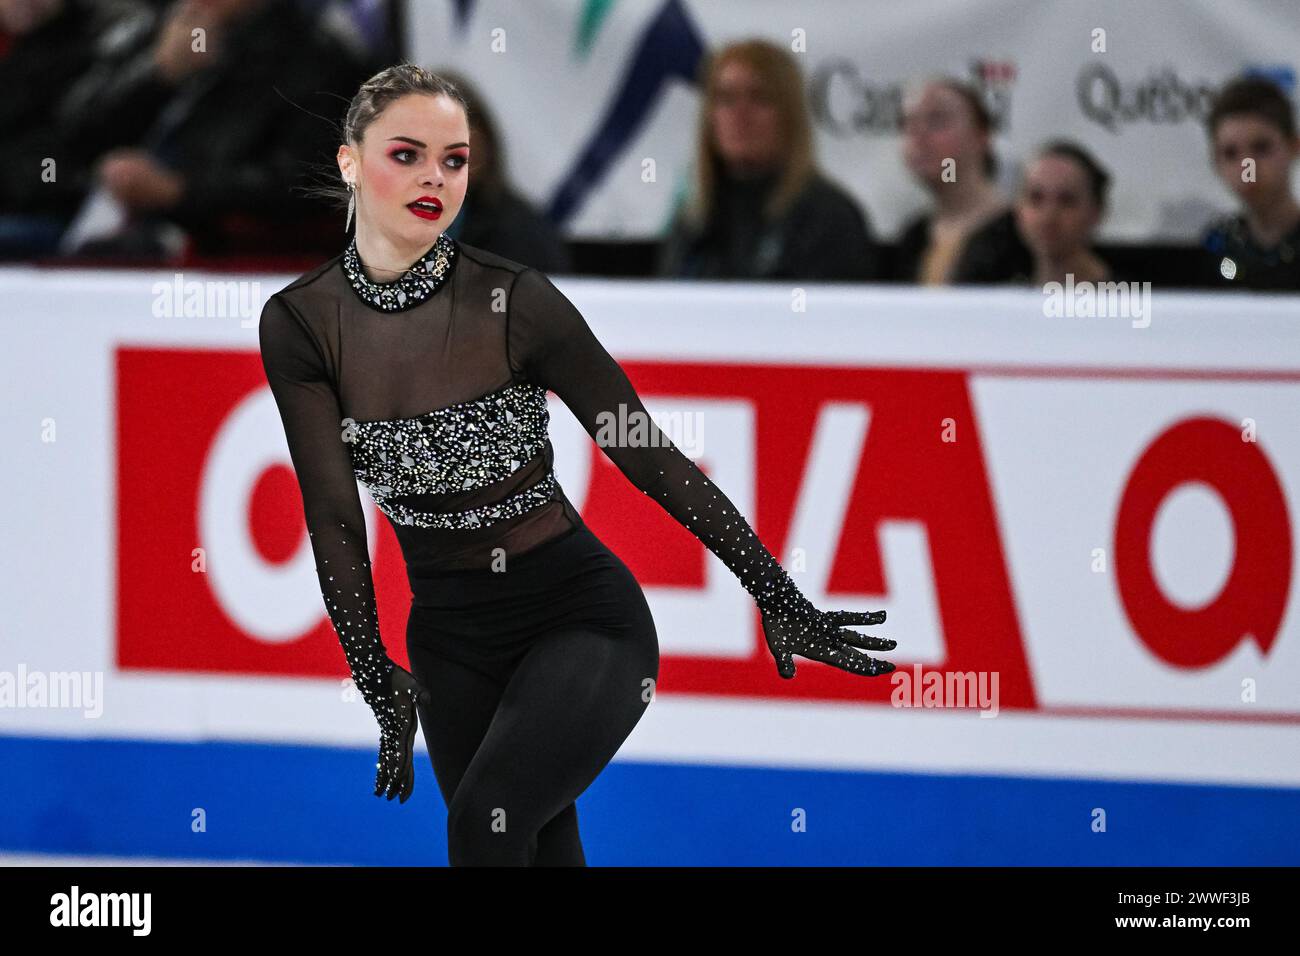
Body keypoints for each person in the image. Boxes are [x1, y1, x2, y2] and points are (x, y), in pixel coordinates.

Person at [258, 64, 899, 867]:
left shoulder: (515, 302)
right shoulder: (302, 325)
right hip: (448, 640)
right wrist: (371, 673)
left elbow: (648, 454)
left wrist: (773, 590)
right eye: (408, 154)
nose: (434, 178)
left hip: (579, 619)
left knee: (482, 826)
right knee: (533, 848)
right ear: (352, 162)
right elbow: (333, 517)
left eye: (453, 160)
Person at [658, 39, 880, 281]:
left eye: (759, 98)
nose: (740, 114)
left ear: (790, 114)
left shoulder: (828, 218)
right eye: (725, 99)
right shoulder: (694, 220)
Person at [894, 76, 1032, 284]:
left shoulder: (1023, 234)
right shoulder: (913, 237)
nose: (918, 136)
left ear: (981, 135)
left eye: (937, 121)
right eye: (908, 123)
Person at [1199, 74, 1300, 290]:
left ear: (1293, 146)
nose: (1247, 168)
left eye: (1261, 148)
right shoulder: (1217, 245)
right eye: (1231, 153)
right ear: (1215, 161)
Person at [1013, 140, 1114, 286]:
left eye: (1067, 201)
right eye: (1036, 198)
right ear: (1018, 208)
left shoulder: (1125, 302)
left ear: (1096, 212)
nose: (1048, 216)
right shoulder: (1000, 295)